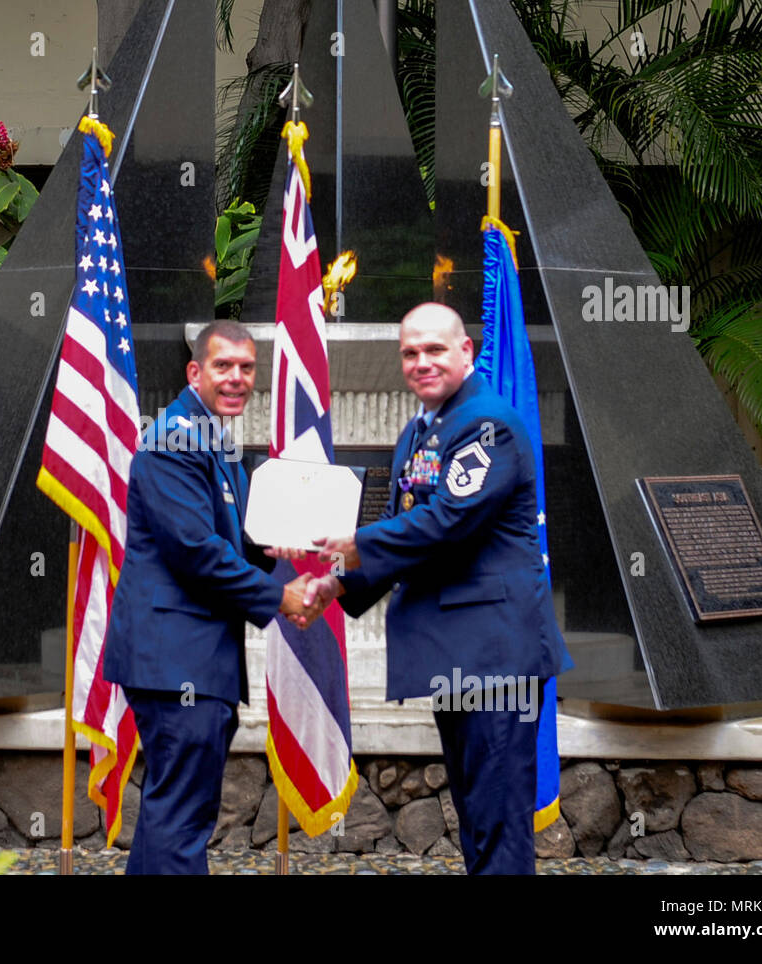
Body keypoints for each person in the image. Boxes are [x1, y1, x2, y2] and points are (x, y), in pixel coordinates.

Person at [304, 302, 571, 875]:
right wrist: (338, 584)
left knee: (499, 820)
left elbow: (447, 520)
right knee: (477, 814)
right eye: (410, 353)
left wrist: (355, 542)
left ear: (466, 351)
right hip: (461, 654)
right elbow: (416, 536)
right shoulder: (423, 429)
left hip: (496, 658)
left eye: (435, 350)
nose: (421, 362)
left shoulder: (485, 423)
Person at [103, 320, 316, 875]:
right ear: (195, 371)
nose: (237, 378)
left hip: (189, 660)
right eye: (223, 366)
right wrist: (279, 598)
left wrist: (270, 551)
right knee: (183, 819)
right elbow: (196, 553)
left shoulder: (210, 436)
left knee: (170, 815)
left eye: (247, 368)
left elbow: (228, 540)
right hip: (176, 661)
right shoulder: (176, 438)